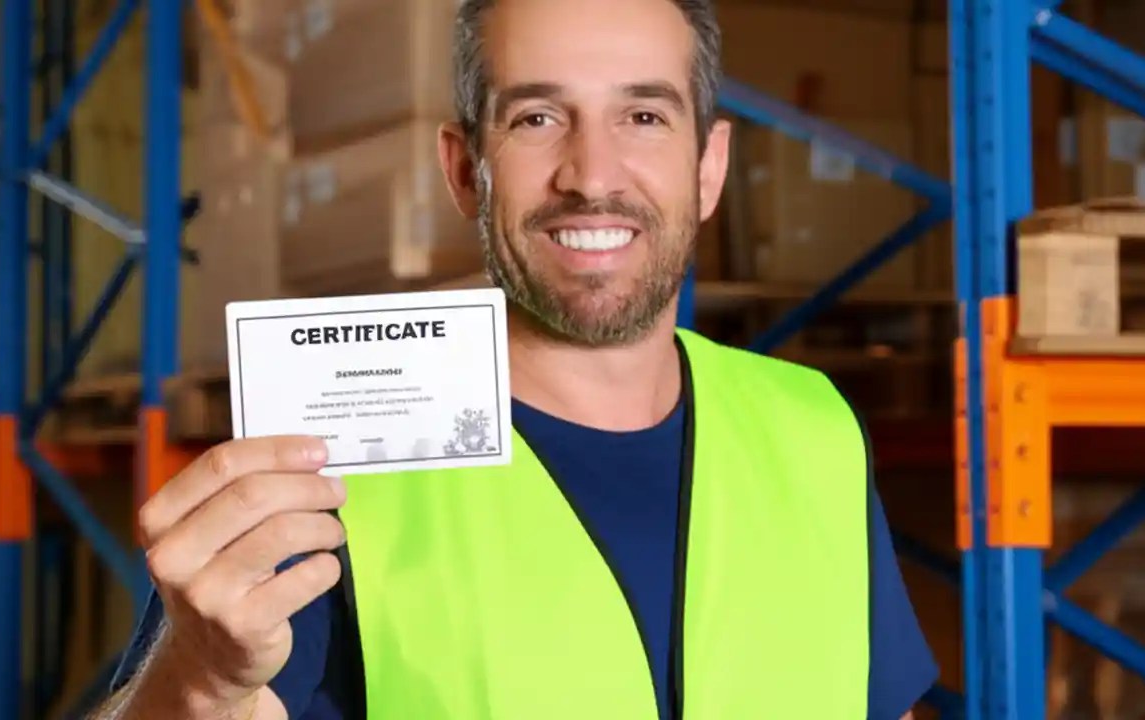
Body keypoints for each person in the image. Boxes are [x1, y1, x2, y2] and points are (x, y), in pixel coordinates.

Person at [93, 0, 939, 717]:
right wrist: (195, 681)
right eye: (537, 117)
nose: (591, 174)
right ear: (466, 171)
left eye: (643, 116)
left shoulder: (812, 425)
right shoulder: (331, 467)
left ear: (709, 166)